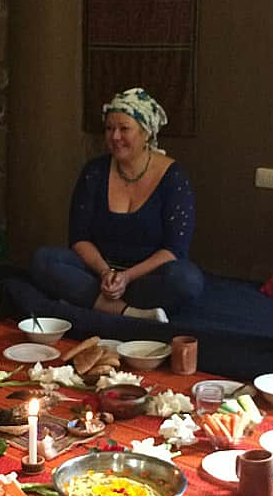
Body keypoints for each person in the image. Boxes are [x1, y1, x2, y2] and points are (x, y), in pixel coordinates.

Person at [30, 87, 203, 323]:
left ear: (145, 133)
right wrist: (106, 273)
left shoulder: (173, 177)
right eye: (110, 128)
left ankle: (89, 301)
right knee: (43, 260)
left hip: (145, 277)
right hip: (98, 273)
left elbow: (175, 249)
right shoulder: (94, 172)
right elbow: (79, 238)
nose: (115, 137)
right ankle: (129, 312)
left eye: (124, 129)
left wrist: (127, 277)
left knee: (187, 280)